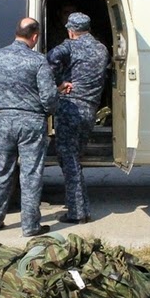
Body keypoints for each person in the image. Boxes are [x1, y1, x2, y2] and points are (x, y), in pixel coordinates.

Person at [0, 17, 58, 237]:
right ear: (35, 36)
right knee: (30, 174)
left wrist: (4, 106)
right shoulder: (38, 60)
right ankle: (30, 226)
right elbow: (49, 97)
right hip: (31, 121)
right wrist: (49, 110)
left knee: (1, 171)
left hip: (4, 120)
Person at [47, 12, 109, 224]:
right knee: (75, 158)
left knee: (68, 159)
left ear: (71, 31)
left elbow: (51, 58)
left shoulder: (69, 46)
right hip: (90, 110)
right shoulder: (101, 49)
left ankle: (77, 212)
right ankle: (80, 208)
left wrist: (58, 83)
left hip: (70, 107)